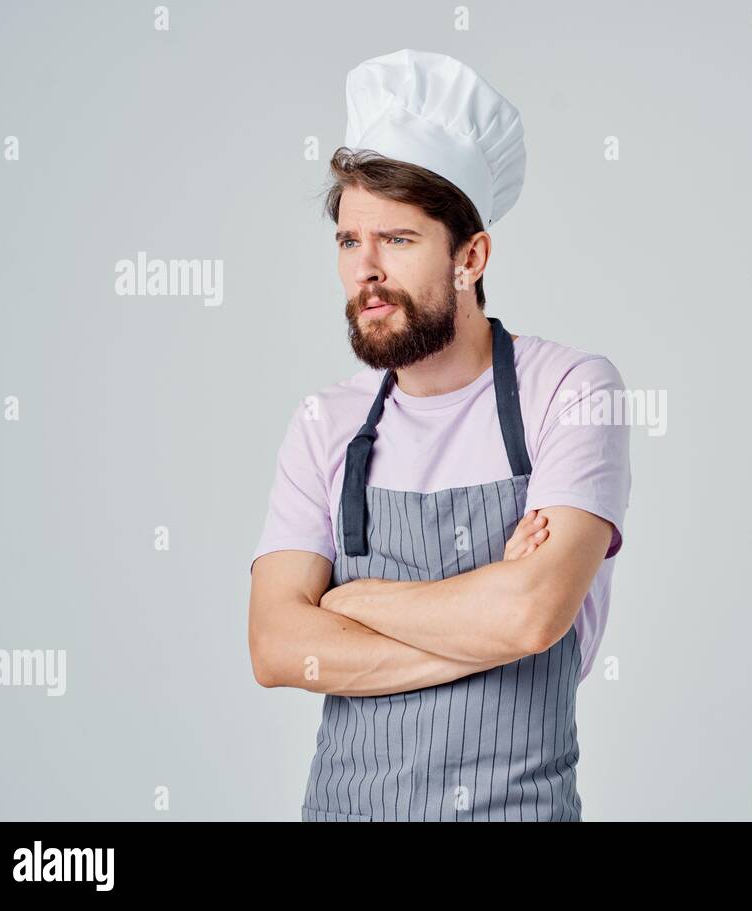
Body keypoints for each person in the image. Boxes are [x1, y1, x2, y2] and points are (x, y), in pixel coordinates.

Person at [247, 50, 631, 822]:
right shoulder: (326, 422)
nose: (367, 270)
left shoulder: (573, 391)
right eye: (350, 242)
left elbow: (532, 614)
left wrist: (353, 599)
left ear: (471, 257)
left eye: (397, 240)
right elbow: (278, 644)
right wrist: (484, 625)